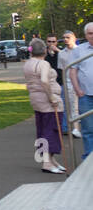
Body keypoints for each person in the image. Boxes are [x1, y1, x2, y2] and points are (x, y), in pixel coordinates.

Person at [23, 37, 65, 174]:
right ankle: (47, 162)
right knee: (51, 129)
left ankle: (49, 160)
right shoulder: (43, 64)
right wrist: (52, 97)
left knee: (41, 128)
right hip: (47, 100)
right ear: (44, 51)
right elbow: (44, 81)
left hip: (36, 99)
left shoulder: (28, 63)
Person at [63, 23, 93, 159]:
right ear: (86, 35)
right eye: (90, 33)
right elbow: (72, 71)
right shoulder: (79, 50)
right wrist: (78, 90)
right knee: (88, 128)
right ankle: (89, 158)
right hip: (86, 95)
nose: (92, 36)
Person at [44, 35, 65, 133]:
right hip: (48, 83)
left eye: (53, 41)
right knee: (49, 106)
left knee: (62, 105)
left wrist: (57, 51)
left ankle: (63, 127)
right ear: (46, 42)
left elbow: (67, 60)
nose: (51, 44)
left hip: (60, 82)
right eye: (49, 41)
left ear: (57, 42)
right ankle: (51, 126)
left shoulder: (61, 52)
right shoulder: (44, 53)